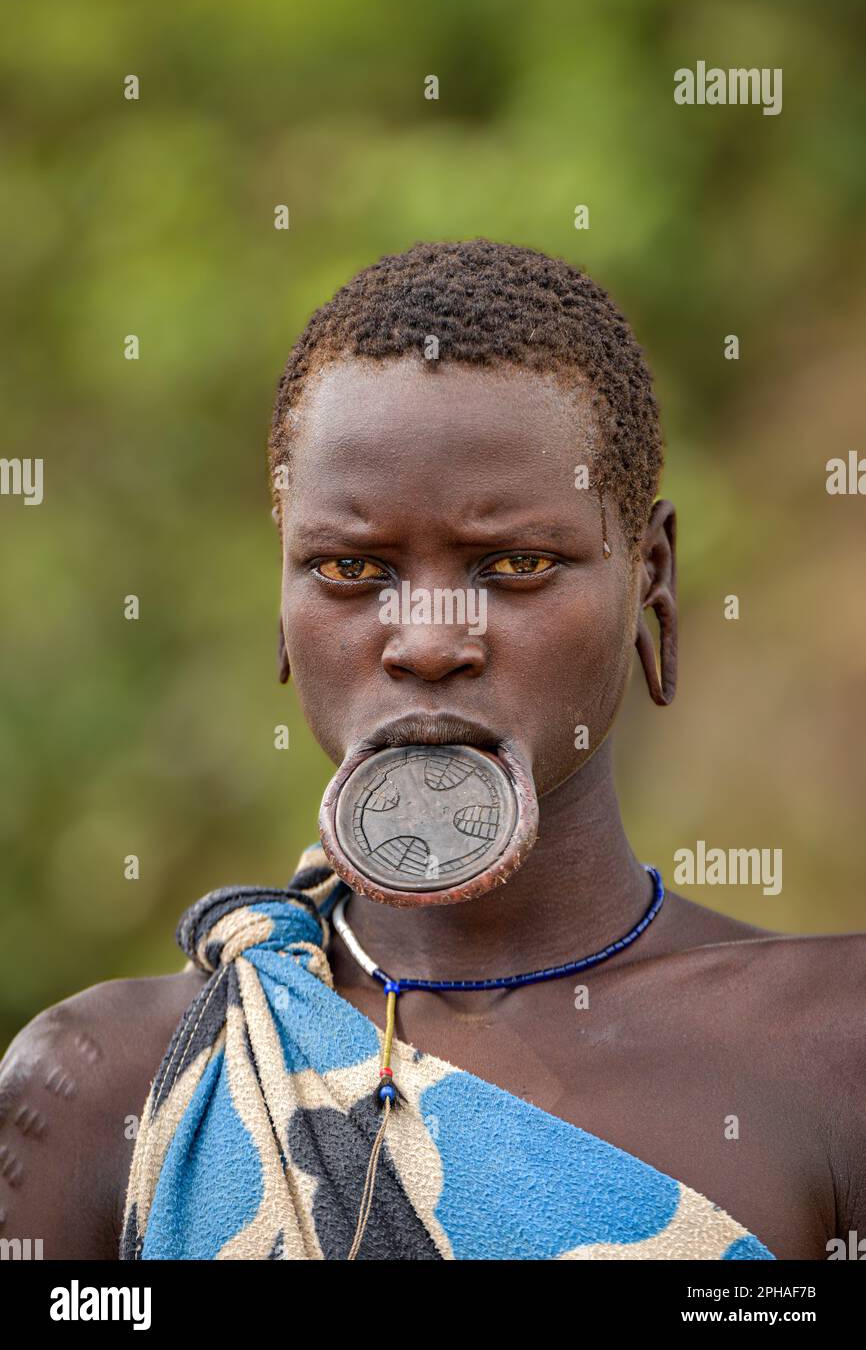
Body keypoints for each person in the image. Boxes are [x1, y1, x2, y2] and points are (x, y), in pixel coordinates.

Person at [1, 239, 862, 1260]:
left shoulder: (830, 1051)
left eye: (515, 562)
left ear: (651, 575)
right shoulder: (114, 1085)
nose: (426, 639)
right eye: (349, 566)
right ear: (281, 598)